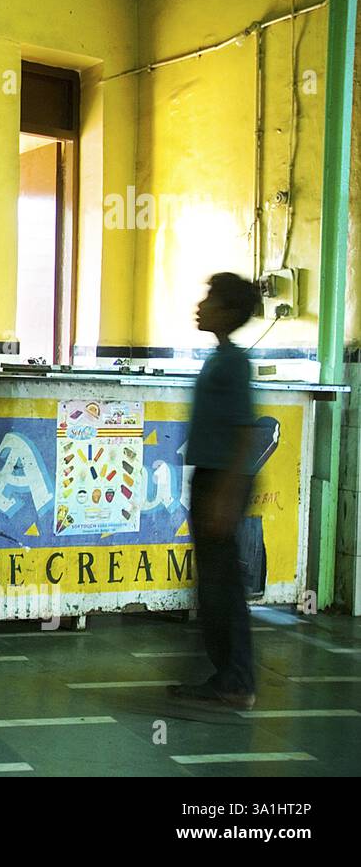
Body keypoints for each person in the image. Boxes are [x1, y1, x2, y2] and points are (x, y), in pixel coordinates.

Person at [168, 273, 263, 710]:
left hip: (223, 480)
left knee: (223, 587)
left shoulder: (233, 363)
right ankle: (226, 675)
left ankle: (237, 680)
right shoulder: (220, 358)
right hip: (211, 475)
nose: (200, 305)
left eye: (209, 299)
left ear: (226, 310)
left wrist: (226, 495)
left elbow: (244, 433)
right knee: (215, 585)